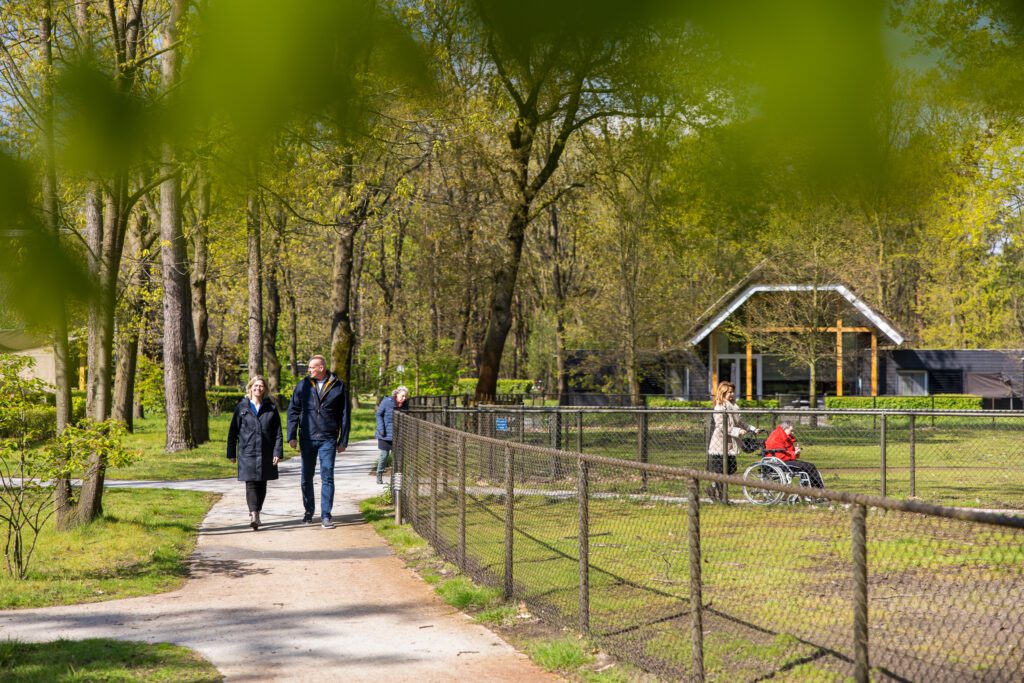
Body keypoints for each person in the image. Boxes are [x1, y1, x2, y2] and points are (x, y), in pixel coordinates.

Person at [287, 355, 351, 528]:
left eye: (311, 368)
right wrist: (291, 435)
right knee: (306, 477)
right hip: (307, 438)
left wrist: (343, 440)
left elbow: (345, 415)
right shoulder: (303, 385)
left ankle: (326, 515)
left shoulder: (338, 386)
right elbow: (293, 410)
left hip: (328, 439)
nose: (309, 370)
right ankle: (309, 511)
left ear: (321, 368)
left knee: (327, 477)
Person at [226, 375, 282, 531]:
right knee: (250, 483)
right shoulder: (242, 408)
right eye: (255, 386)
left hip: (266, 450)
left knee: (262, 483)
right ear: (250, 388)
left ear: (265, 389)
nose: (258, 388)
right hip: (247, 452)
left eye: (261, 386)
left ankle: (257, 512)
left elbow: (278, 432)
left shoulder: (271, 407)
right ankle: (254, 514)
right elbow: (233, 431)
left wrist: (277, 451)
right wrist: (231, 452)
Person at [707, 380, 760, 500]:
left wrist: (752, 429)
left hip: (730, 445)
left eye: (733, 392)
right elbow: (721, 426)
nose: (732, 394)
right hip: (720, 444)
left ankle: (712, 488)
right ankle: (722, 497)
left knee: (731, 469)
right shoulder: (719, 407)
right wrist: (737, 431)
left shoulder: (734, 406)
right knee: (721, 471)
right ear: (723, 393)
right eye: (729, 392)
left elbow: (739, 422)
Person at [764, 421, 825, 488]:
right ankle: (819, 490)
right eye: (791, 430)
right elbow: (779, 455)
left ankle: (813, 489)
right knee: (808, 467)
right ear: (785, 429)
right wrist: (793, 453)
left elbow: (787, 451)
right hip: (778, 463)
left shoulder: (784, 436)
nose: (793, 433)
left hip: (784, 461)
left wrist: (795, 451)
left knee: (809, 466)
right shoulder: (776, 438)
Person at [374, 385, 409, 484]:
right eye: (402, 396)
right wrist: (381, 428)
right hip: (385, 434)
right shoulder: (387, 401)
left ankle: (396, 477)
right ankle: (379, 474)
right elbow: (378, 414)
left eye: (405, 396)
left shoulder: (405, 405)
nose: (404, 398)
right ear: (396, 394)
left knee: (398, 457)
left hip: (399, 435)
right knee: (384, 456)